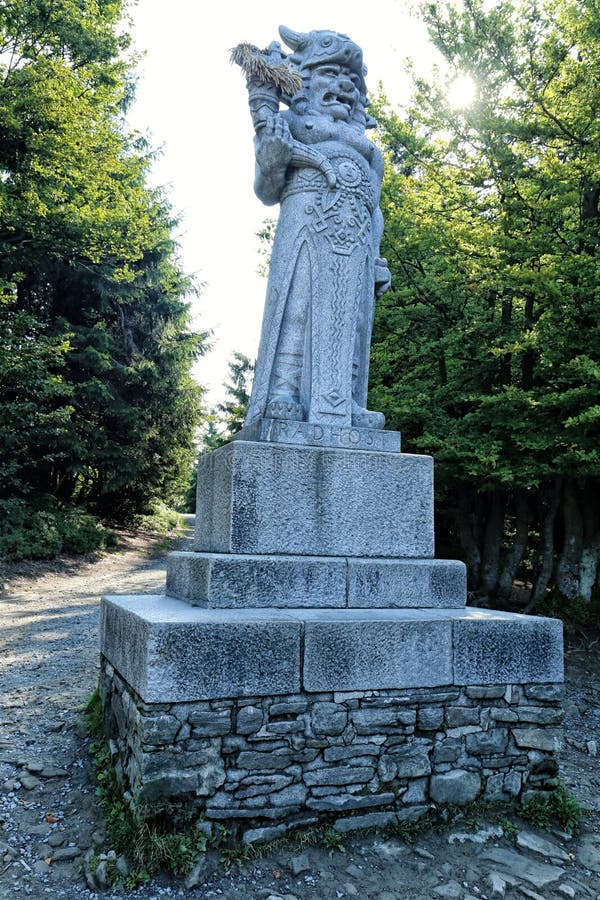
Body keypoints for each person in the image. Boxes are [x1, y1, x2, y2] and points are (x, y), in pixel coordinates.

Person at [244, 26, 391, 430]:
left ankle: (345, 401)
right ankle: (284, 391)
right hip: (307, 221)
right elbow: (266, 189)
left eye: (352, 80)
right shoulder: (288, 125)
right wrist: (273, 159)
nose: (344, 85)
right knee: (299, 305)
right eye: (331, 74)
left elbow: (375, 206)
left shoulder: (369, 150)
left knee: (355, 318)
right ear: (303, 80)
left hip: (357, 235)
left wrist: (377, 256)